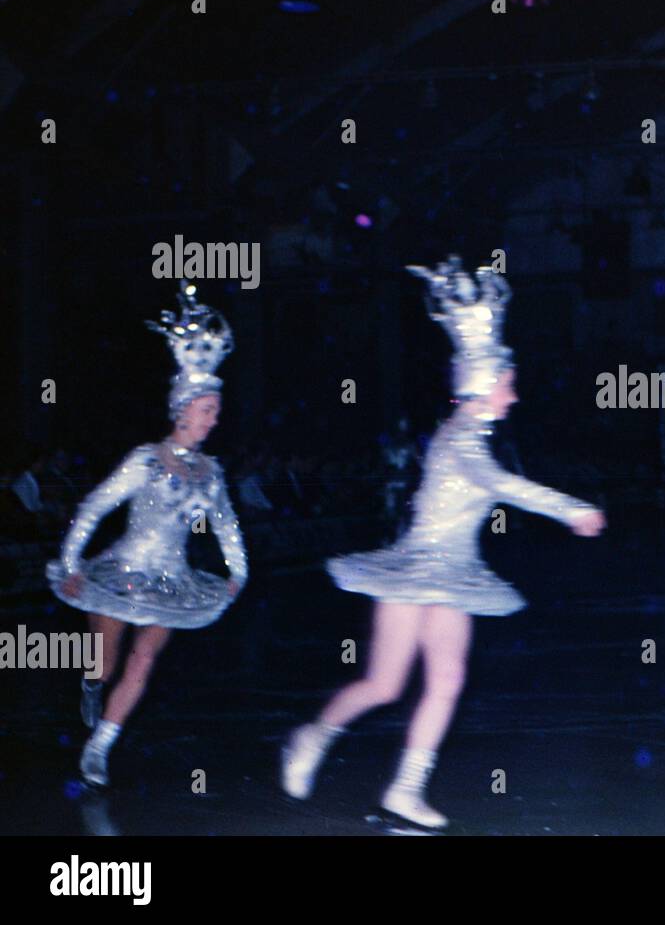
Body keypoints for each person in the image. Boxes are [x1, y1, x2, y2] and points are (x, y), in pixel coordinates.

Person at [280, 256, 606, 830]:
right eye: (508, 384)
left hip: (456, 571)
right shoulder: (462, 440)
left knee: (449, 680)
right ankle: (312, 735)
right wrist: (571, 509)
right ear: (484, 386)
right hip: (415, 567)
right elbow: (502, 485)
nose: (515, 394)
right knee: (383, 683)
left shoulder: (474, 433)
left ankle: (405, 790)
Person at [46, 282, 247, 787]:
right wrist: (71, 564)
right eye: (207, 410)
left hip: (172, 579)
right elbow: (92, 507)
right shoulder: (143, 460)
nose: (213, 419)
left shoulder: (211, 472)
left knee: (144, 658)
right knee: (106, 659)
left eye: (216, 411)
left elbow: (225, 525)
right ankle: (92, 683)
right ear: (183, 410)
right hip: (122, 574)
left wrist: (237, 572)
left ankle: (100, 747)